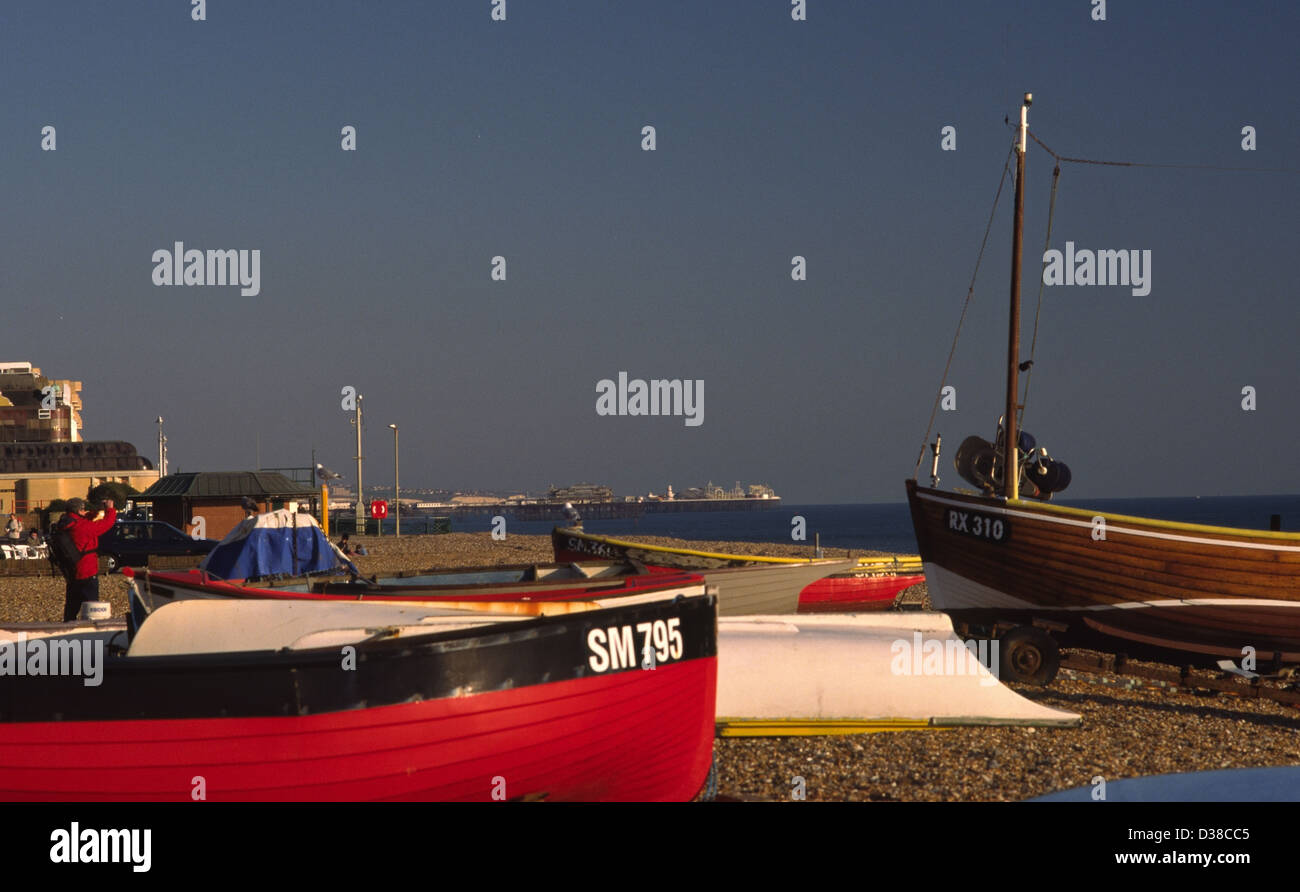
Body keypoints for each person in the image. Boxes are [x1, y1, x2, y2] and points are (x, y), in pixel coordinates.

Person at [58, 497, 117, 622]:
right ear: (79, 510)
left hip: (72, 571)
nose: (85, 512)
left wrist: (97, 510)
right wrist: (110, 510)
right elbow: (106, 524)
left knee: (71, 609)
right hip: (87, 571)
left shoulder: (66, 522)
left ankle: (66, 631)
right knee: (92, 609)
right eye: (84, 509)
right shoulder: (81, 526)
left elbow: (84, 519)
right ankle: (90, 634)